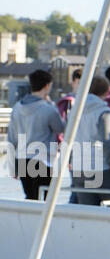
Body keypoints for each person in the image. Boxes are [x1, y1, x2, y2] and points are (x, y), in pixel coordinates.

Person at [7, 69, 65, 200]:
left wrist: (12, 166)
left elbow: (11, 138)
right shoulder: (48, 109)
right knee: (46, 200)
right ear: (47, 86)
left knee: (30, 198)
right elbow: (60, 128)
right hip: (43, 160)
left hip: (22, 160)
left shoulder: (17, 108)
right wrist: (52, 103)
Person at [68, 75, 110, 204]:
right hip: (100, 166)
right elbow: (107, 140)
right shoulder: (104, 112)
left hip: (78, 167)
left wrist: (69, 160)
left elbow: (68, 138)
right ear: (106, 92)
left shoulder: (74, 110)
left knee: (87, 211)